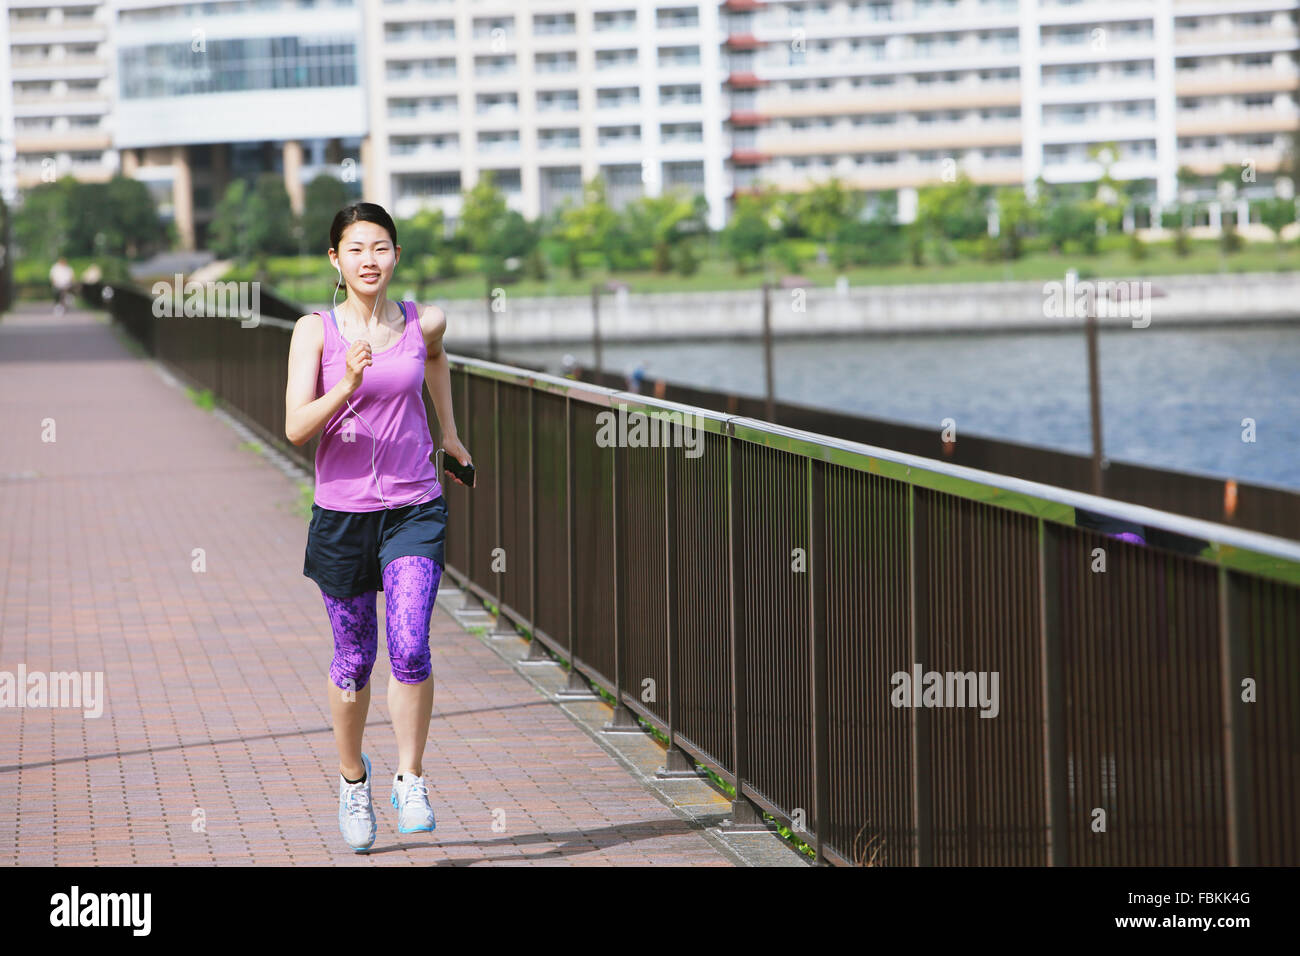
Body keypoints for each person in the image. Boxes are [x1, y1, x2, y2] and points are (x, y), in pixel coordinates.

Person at [283, 202, 474, 852]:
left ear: (396, 255)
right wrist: (348, 384)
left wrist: (449, 433)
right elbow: (295, 427)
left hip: (414, 507)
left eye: (382, 247)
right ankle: (353, 779)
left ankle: (411, 778)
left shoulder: (424, 322)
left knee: (411, 644)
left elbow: (438, 358)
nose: (371, 260)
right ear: (336, 260)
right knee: (355, 660)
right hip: (341, 517)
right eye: (357, 249)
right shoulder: (315, 332)